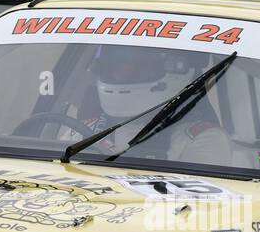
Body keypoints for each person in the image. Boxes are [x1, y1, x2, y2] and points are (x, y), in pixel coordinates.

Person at [76, 45, 233, 165]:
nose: (122, 73)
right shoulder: (88, 128)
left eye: (138, 65)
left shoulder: (203, 138)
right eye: (116, 64)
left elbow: (188, 203)